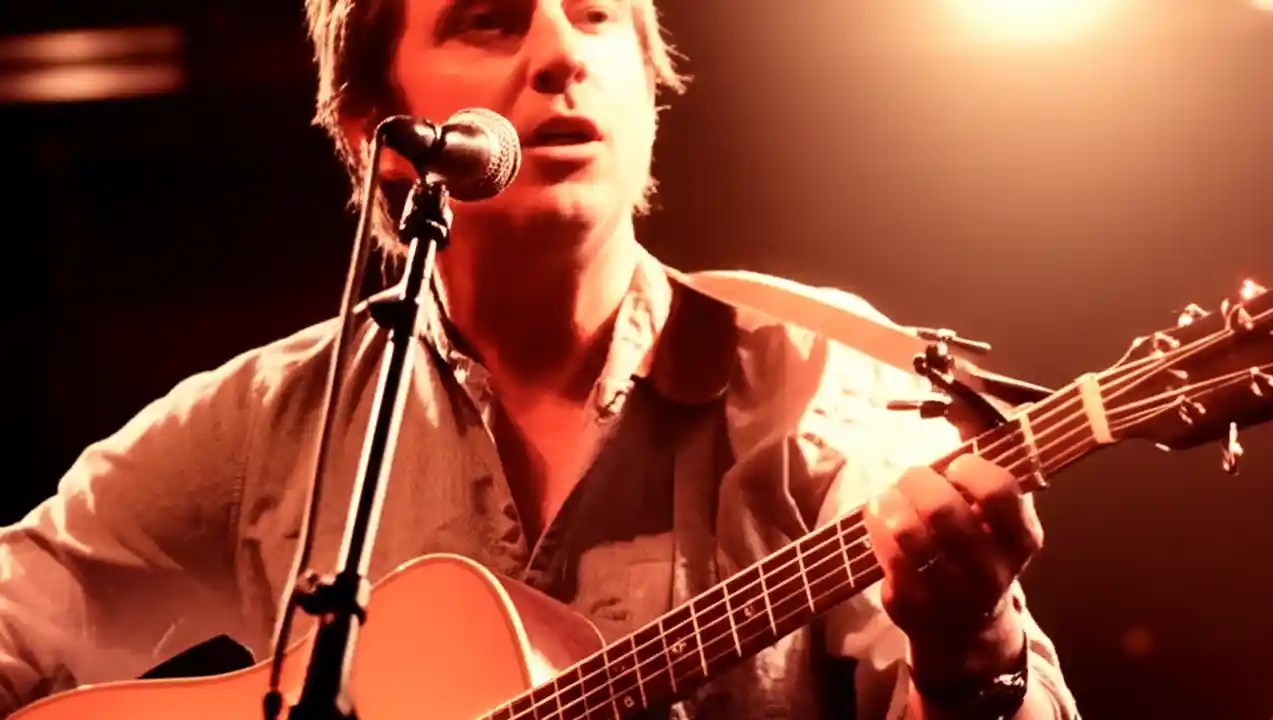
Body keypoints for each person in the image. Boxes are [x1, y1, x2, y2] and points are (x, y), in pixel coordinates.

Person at [0, 0, 1079, 717]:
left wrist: (974, 648)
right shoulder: (272, 424)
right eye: (488, 19)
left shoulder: (830, 400)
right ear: (373, 129)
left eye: (598, 15)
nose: (562, 53)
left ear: (650, 87)